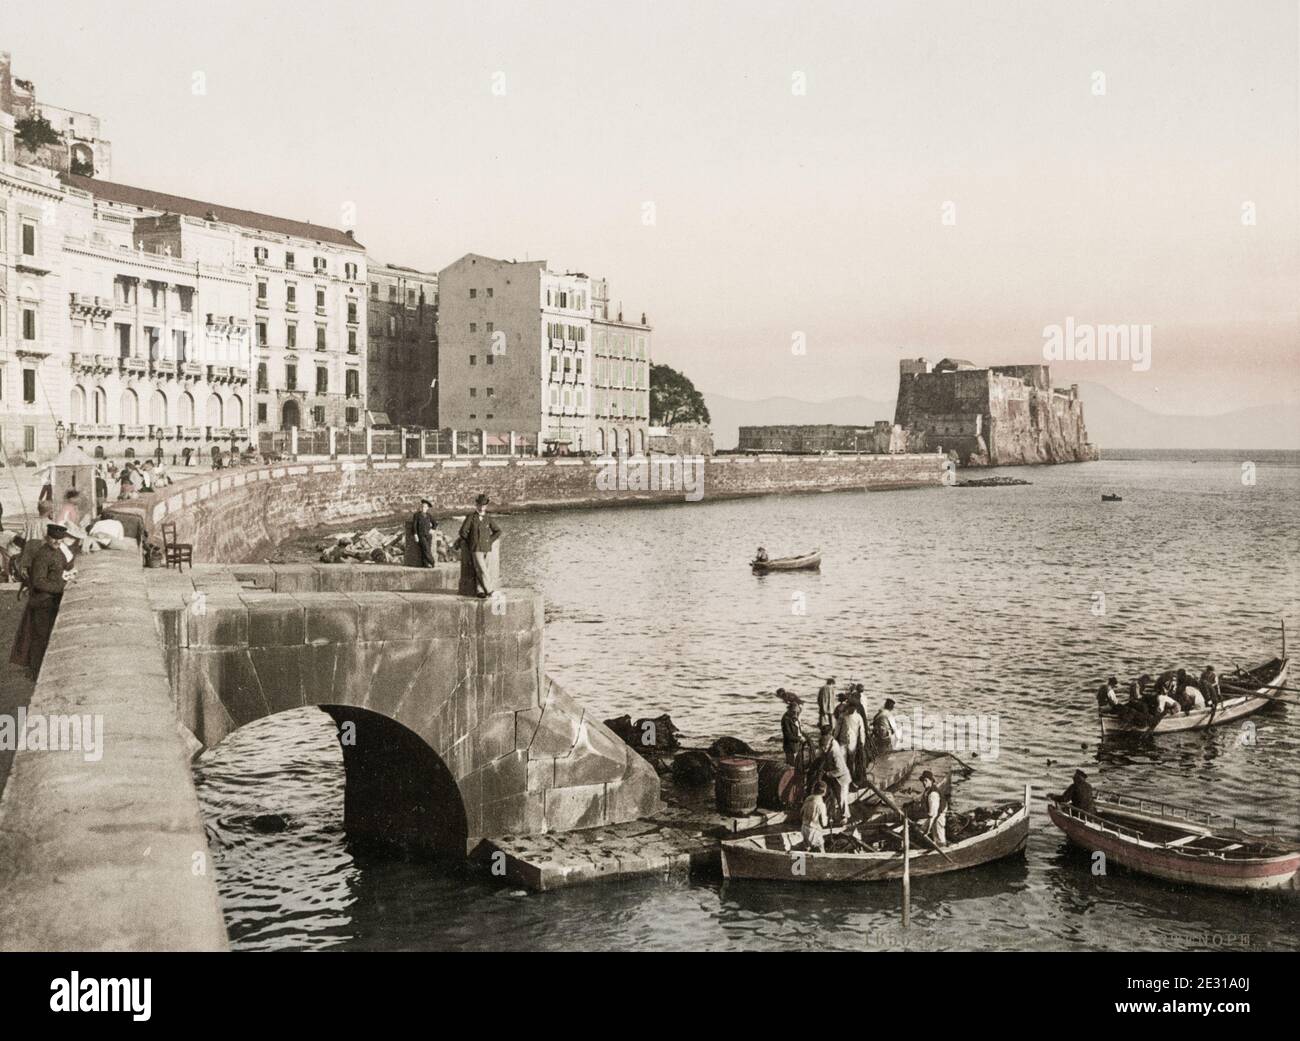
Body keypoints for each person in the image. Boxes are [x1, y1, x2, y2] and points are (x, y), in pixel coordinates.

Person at [9, 523, 75, 679]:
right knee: (40, 637)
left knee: (45, 636)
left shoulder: (58, 552)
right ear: (47, 538)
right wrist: (60, 588)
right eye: (53, 539)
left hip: (51, 600)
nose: (57, 543)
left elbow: (61, 570)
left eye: (59, 540)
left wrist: (68, 575)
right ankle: (35, 671)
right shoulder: (43, 555)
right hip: (42, 602)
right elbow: (38, 581)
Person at [455, 493, 501, 598]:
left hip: (486, 548)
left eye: (484, 505)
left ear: (486, 506)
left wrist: (490, 541)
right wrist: (471, 542)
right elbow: (463, 532)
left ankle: (480, 591)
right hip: (476, 548)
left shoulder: (487, 518)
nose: (481, 507)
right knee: (482, 569)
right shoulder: (471, 517)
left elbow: (498, 531)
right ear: (476, 505)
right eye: (480, 505)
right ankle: (489, 591)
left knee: (484, 569)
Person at [817, 730, 853, 824]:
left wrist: (828, 774)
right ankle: (831, 816)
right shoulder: (828, 748)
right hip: (834, 778)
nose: (823, 750)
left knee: (842, 799)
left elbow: (840, 770)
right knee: (832, 797)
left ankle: (845, 818)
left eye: (824, 748)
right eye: (822, 748)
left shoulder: (835, 753)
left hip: (842, 779)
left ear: (828, 745)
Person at [835, 688, 867, 782]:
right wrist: (835, 738)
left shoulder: (858, 717)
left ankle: (851, 779)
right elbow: (837, 729)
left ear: (855, 708)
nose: (851, 709)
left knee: (851, 762)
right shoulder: (843, 716)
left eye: (853, 708)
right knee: (841, 761)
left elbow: (862, 732)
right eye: (850, 707)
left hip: (853, 743)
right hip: (842, 742)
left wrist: (861, 742)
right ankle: (842, 778)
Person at [406, 498, 438, 568]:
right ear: (421, 507)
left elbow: (435, 523)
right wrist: (415, 535)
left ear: (427, 508)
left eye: (425, 507)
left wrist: (433, 530)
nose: (423, 508)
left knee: (427, 549)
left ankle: (425, 564)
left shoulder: (429, 515)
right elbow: (414, 525)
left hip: (428, 535)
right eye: (422, 506)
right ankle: (432, 561)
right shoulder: (417, 515)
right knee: (426, 548)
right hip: (421, 535)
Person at [800, 782, 829, 853]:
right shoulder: (821, 804)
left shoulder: (807, 799)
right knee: (821, 848)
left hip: (804, 828)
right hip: (814, 830)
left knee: (807, 847)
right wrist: (828, 819)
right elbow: (824, 823)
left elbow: (801, 813)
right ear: (824, 791)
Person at [919, 770, 946, 846]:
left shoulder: (933, 794)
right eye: (923, 781)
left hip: (939, 814)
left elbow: (933, 815)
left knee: (939, 836)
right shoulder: (927, 791)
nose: (924, 783)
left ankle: (941, 849)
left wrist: (926, 831)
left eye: (926, 780)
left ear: (931, 781)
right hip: (932, 813)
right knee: (927, 830)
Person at [780, 694, 806, 766]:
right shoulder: (786, 720)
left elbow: (798, 729)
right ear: (790, 710)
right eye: (794, 712)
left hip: (796, 746)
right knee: (792, 765)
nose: (796, 714)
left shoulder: (793, 717)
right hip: (790, 747)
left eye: (797, 712)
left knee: (798, 764)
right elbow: (788, 735)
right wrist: (799, 738)